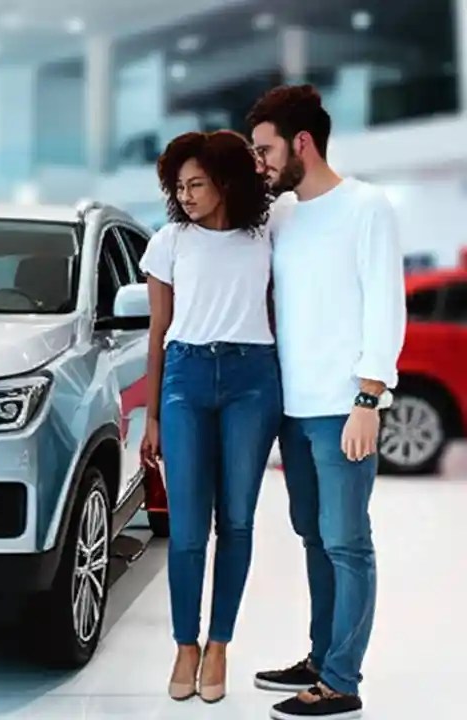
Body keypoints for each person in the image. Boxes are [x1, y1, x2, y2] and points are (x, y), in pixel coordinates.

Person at [247, 85, 406, 720]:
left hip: (345, 407)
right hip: (293, 406)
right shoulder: (281, 217)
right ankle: (319, 656)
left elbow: (385, 307)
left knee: (347, 543)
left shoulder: (366, 206)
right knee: (314, 537)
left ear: (301, 144)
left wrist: (370, 397)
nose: (259, 162)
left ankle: (342, 681)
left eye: (265, 150)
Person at [139, 130, 280, 704]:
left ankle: (220, 643)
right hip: (185, 380)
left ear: (225, 181)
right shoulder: (169, 242)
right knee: (188, 529)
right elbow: (157, 331)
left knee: (238, 522)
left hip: (253, 378)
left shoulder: (266, 234)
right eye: (180, 186)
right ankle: (185, 645)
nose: (188, 195)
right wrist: (151, 415)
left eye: (197, 183)